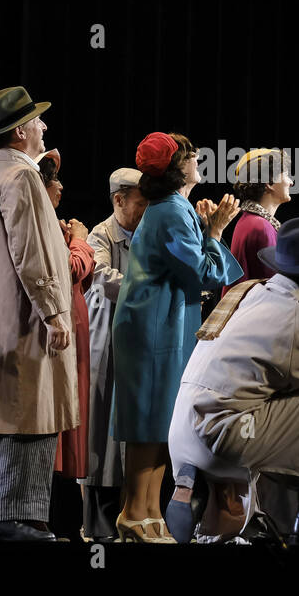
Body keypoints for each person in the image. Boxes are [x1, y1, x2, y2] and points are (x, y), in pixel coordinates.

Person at [166, 217, 299, 545]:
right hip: (223, 437)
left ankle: (199, 495)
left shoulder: (252, 292)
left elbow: (280, 349)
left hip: (183, 429)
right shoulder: (297, 320)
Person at [111, 132, 243, 542]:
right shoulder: (169, 210)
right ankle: (134, 511)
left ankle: (149, 511)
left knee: (160, 422)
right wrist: (217, 231)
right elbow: (203, 271)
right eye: (189, 157)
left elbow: (193, 263)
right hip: (153, 327)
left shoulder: (174, 207)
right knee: (147, 419)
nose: (197, 161)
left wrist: (205, 228)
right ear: (175, 170)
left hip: (164, 323)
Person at [0, 87, 75, 542]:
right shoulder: (20, 179)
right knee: (29, 415)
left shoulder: (0, 173)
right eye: (36, 121)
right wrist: (52, 312)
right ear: (19, 131)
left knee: (32, 416)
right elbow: (29, 252)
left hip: (13, 318)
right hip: (26, 320)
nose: (43, 127)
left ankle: (22, 516)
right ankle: (8, 516)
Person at [81, 167, 146, 540]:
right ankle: (96, 526)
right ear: (119, 200)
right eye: (141, 201)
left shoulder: (143, 234)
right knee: (99, 442)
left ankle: (127, 518)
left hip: (132, 349)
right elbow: (105, 279)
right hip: (104, 348)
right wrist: (152, 285)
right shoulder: (99, 235)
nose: (147, 208)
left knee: (125, 441)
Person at [33, 150, 94, 494]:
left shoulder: (52, 223)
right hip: (59, 332)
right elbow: (68, 270)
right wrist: (81, 241)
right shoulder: (42, 222)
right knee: (57, 418)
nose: (61, 186)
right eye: (55, 179)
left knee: (72, 414)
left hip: (72, 327)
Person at [223, 148, 293, 293]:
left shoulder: (252, 221)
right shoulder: (260, 227)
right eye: (286, 175)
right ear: (269, 183)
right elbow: (275, 291)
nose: (291, 182)